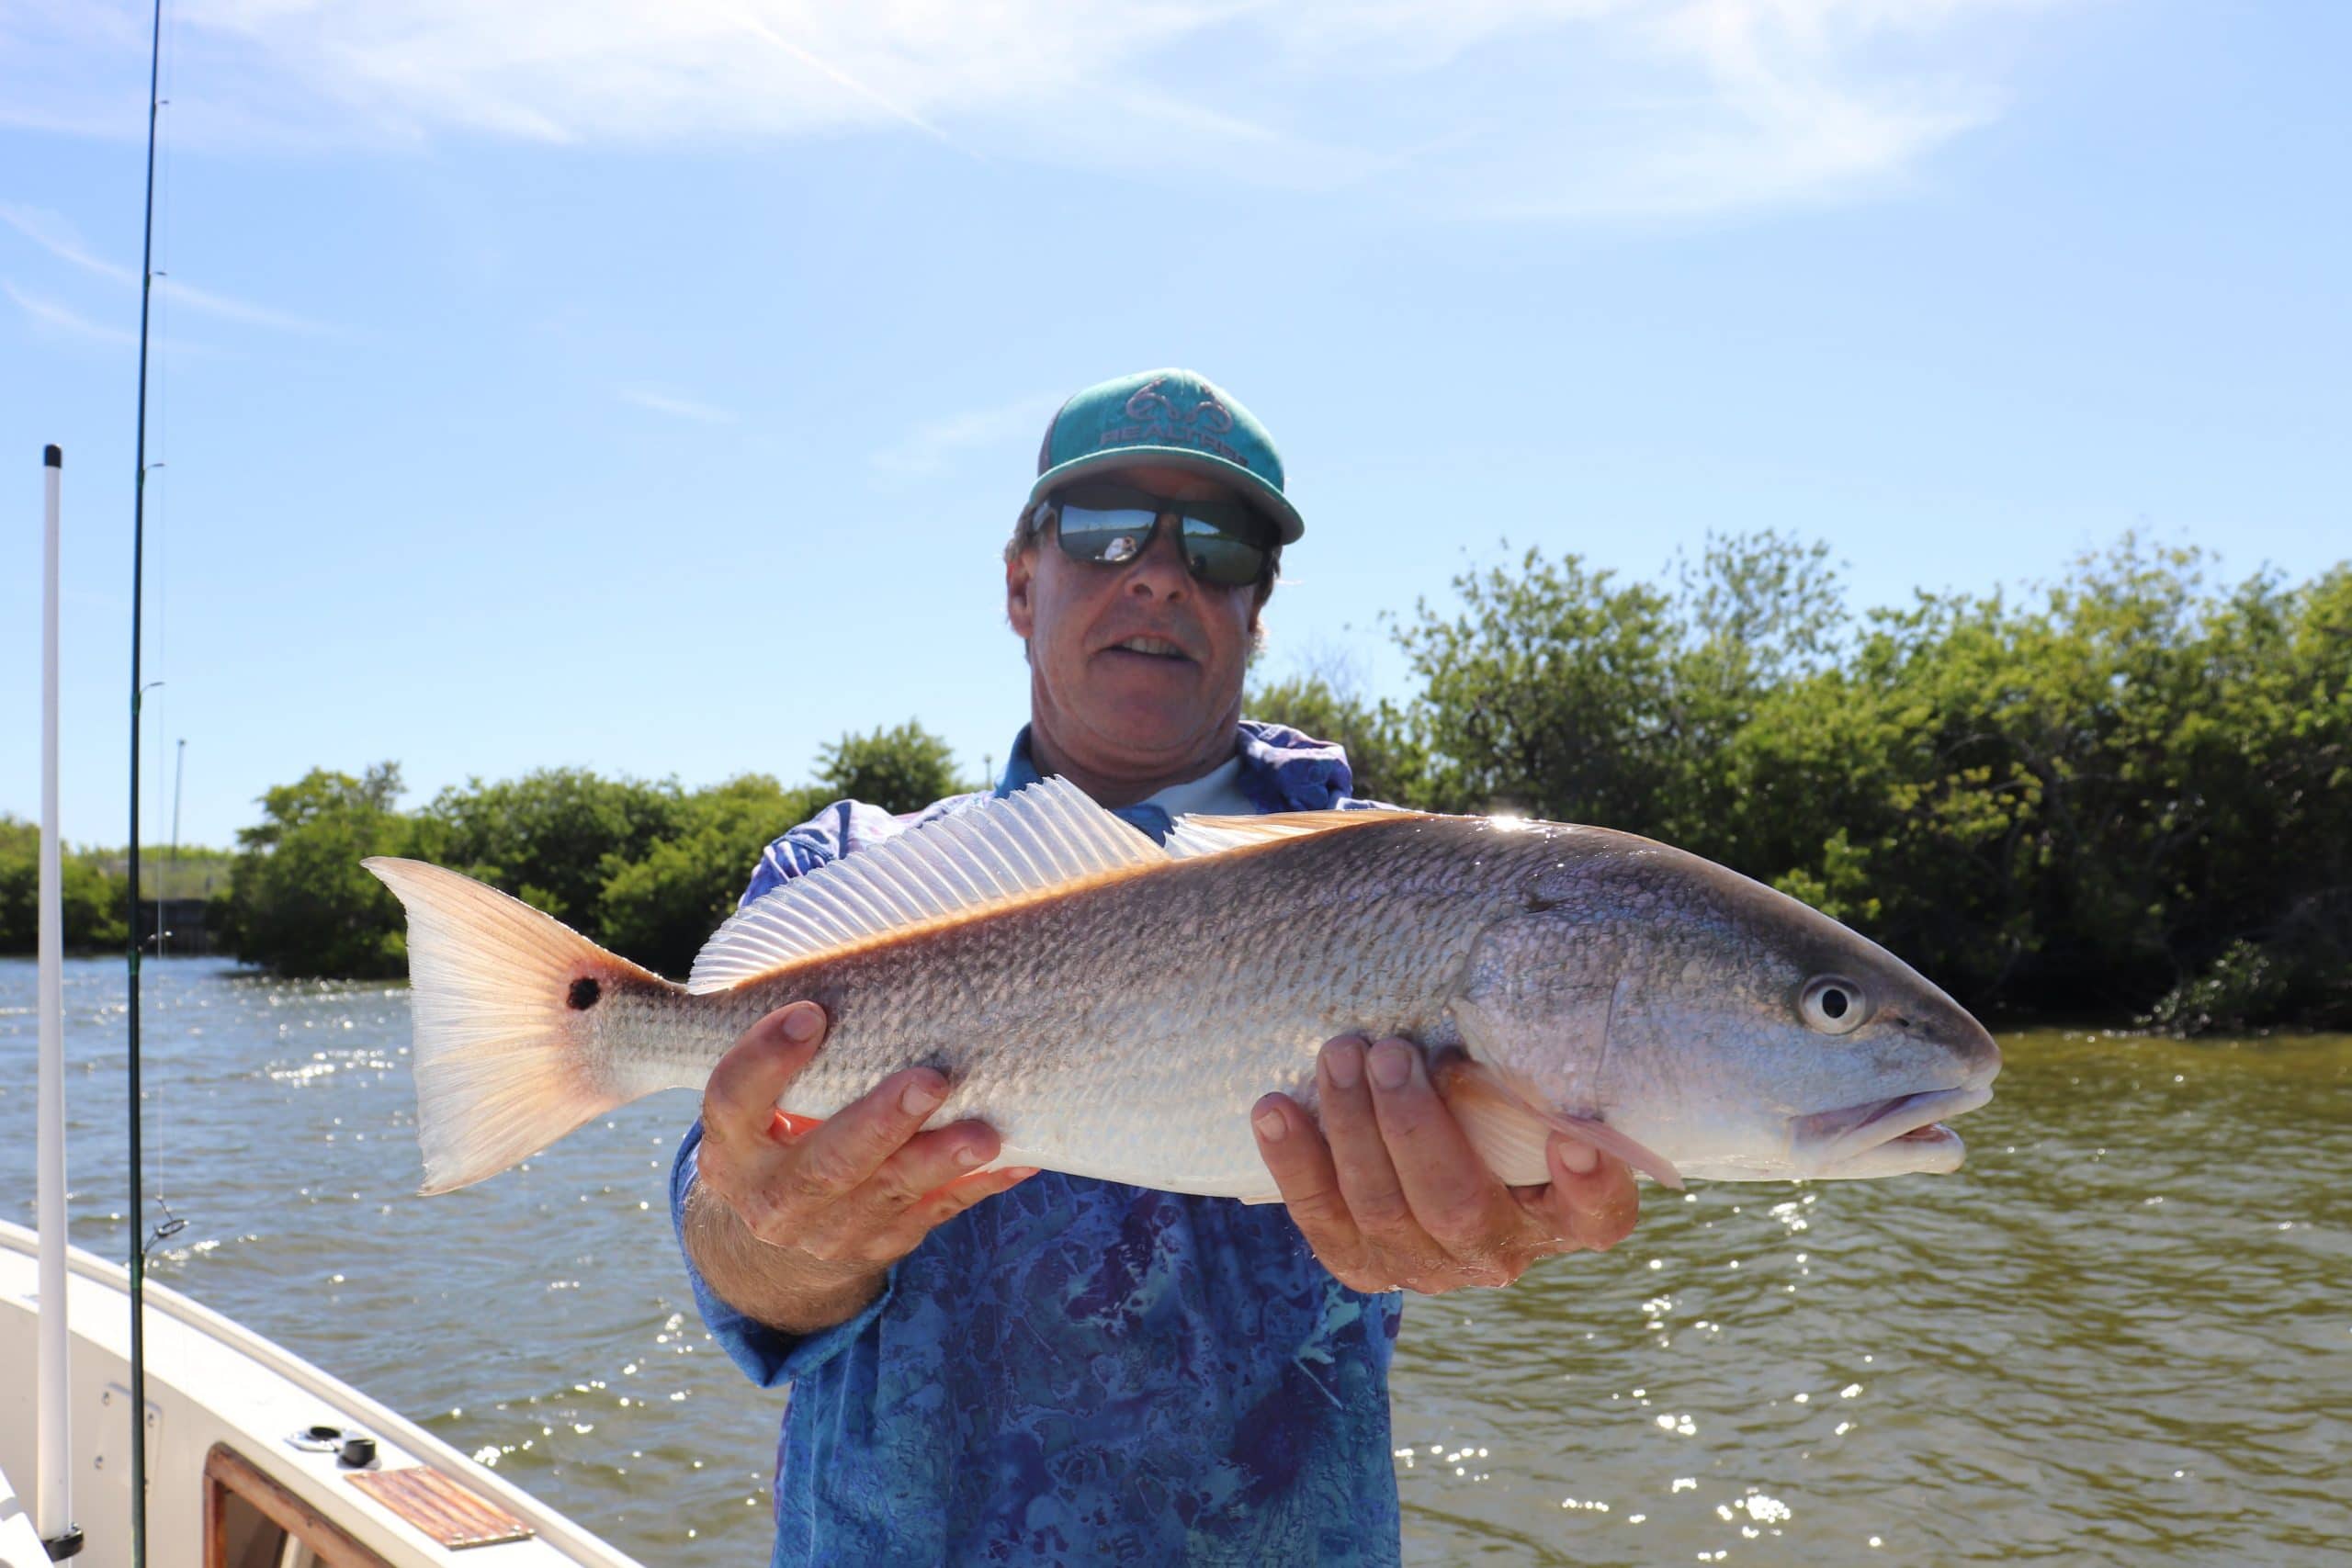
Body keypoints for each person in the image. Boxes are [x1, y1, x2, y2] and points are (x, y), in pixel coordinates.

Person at [671, 368, 1641, 1565]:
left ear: (1257, 609)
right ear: (1021, 584)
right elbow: (728, 1244)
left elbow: (1497, 1199)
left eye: (1221, 546)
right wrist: (780, 1234)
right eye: (1104, 529)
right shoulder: (844, 876)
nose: (1161, 572)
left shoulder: (1425, 887)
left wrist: (1484, 1235)